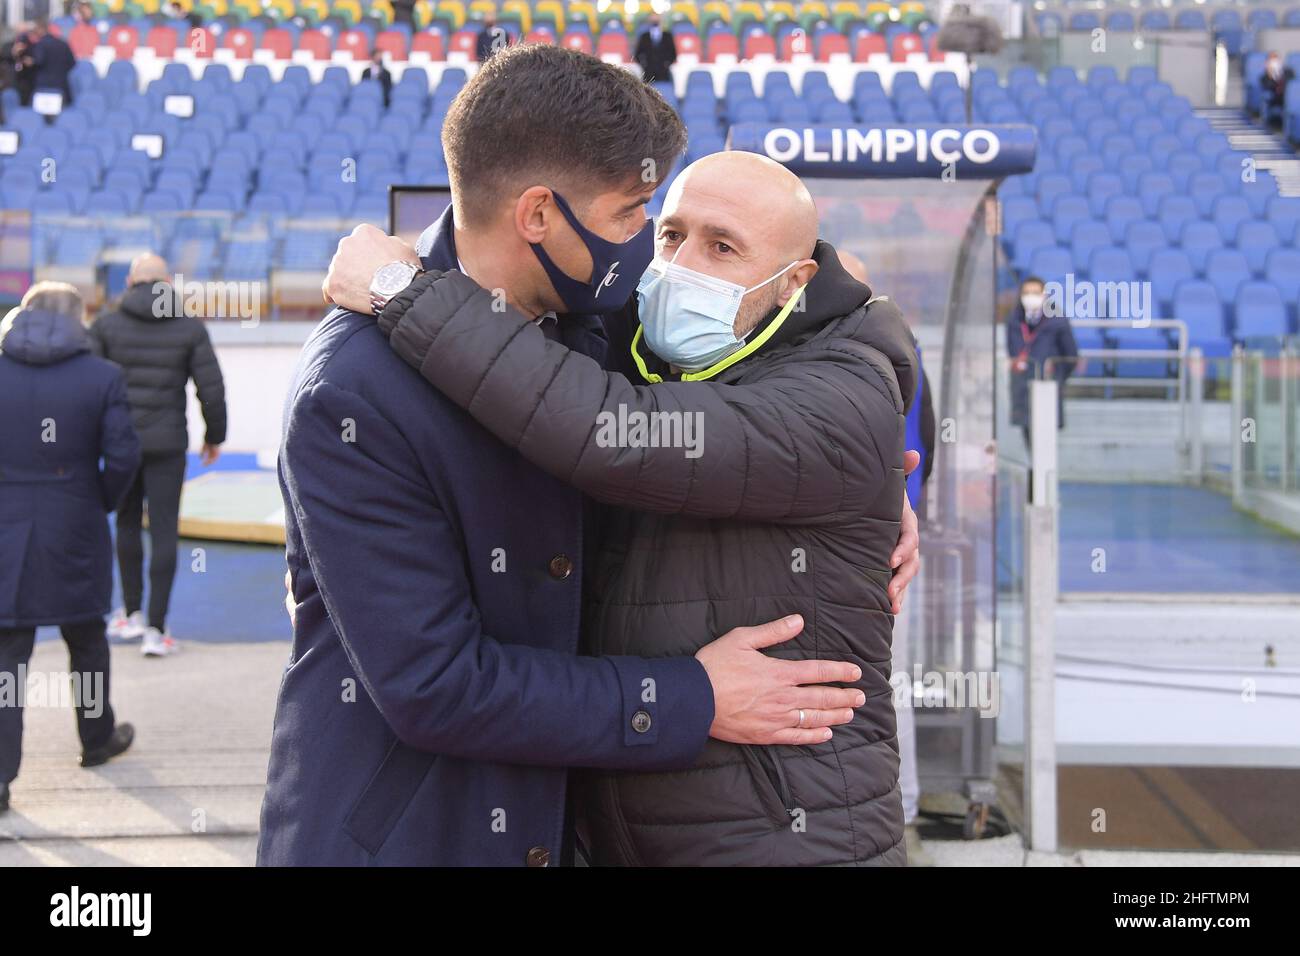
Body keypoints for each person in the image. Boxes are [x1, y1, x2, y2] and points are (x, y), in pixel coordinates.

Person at [260, 45, 914, 867]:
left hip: (566, 824)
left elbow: (800, 287)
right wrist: (690, 697)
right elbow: (437, 687)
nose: (655, 250)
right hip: (418, 836)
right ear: (539, 216)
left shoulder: (600, 299)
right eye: (639, 215)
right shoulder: (352, 390)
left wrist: (877, 470)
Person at [0, 282, 141, 815]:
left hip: (7, 531)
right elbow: (124, 456)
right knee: (86, 642)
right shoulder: (101, 376)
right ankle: (96, 740)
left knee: (7, 659)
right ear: (78, 317)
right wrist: (94, 500)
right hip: (75, 526)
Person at [89, 254, 227, 657]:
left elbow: (91, 386)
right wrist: (214, 436)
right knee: (164, 529)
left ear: (130, 281)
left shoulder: (105, 326)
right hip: (168, 444)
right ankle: (155, 628)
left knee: (127, 524)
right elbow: (211, 388)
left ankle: (130, 614)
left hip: (120, 444)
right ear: (167, 282)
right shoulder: (189, 327)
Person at [1006, 275, 1078, 452]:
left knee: (1045, 443)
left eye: (1035, 292)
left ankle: (1044, 477)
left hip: (1048, 386)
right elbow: (1012, 352)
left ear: (1044, 294)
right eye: (1027, 292)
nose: (1031, 296)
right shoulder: (1014, 319)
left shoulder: (1057, 319)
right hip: (1023, 387)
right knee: (1028, 437)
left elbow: (1070, 355)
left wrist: (1057, 377)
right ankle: (1033, 475)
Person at [21, 21, 76, 109]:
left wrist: (28, 61)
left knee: (42, 117)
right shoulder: (63, 44)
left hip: (43, 87)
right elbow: (72, 63)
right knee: (61, 117)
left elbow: (38, 61)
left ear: (41, 29)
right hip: (61, 85)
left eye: (36, 30)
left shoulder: (41, 45)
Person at [634, 13, 676, 84]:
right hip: (648, 72)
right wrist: (644, 65)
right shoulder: (644, 36)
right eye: (653, 19)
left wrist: (667, 64)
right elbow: (637, 54)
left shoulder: (667, 36)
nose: (655, 21)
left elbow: (673, 53)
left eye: (656, 19)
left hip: (663, 72)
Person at [1261, 51, 1294, 123]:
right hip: (1276, 98)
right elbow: (1268, 86)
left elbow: (1292, 84)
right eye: (1271, 60)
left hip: (1289, 95)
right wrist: (1271, 75)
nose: (1274, 62)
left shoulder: (1289, 71)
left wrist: (1280, 74)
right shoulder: (1264, 77)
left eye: (1276, 59)